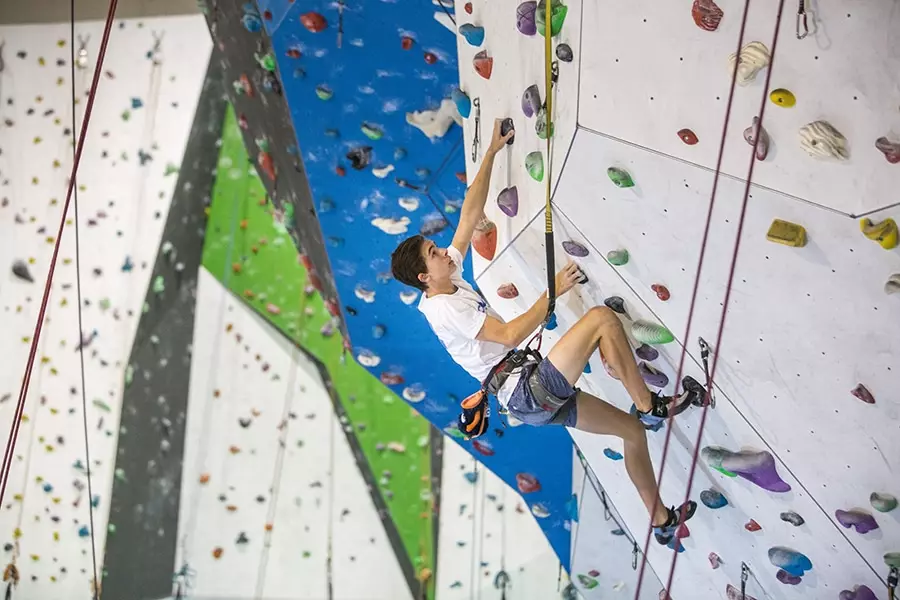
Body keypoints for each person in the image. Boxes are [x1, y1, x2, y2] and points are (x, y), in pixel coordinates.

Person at [390, 118, 700, 544]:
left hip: (526, 397)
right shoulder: (445, 310)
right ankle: (649, 405)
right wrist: (551, 293)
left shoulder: (449, 277)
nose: (443, 250)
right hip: (526, 389)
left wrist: (494, 152)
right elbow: (509, 336)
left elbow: (469, 213)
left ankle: (661, 520)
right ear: (425, 277)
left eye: (436, 247)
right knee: (602, 320)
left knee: (628, 433)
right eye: (434, 253)